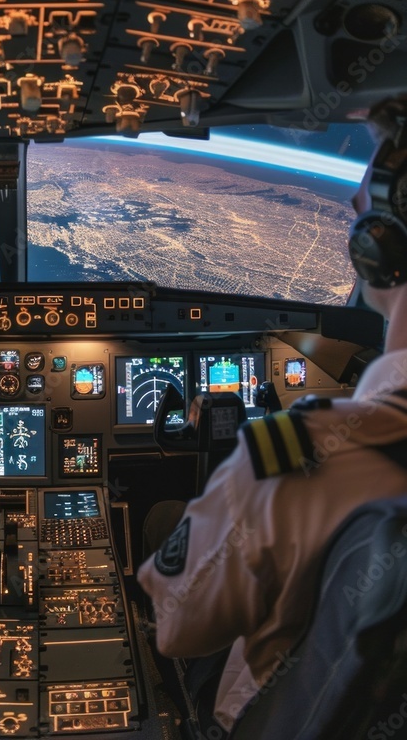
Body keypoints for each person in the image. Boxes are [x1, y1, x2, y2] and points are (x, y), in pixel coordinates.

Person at [137, 95, 407, 731]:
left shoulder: (297, 452)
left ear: (383, 244)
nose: (352, 206)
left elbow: (176, 629)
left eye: (369, 201)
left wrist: (237, 483)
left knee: (164, 520)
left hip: (267, 715)